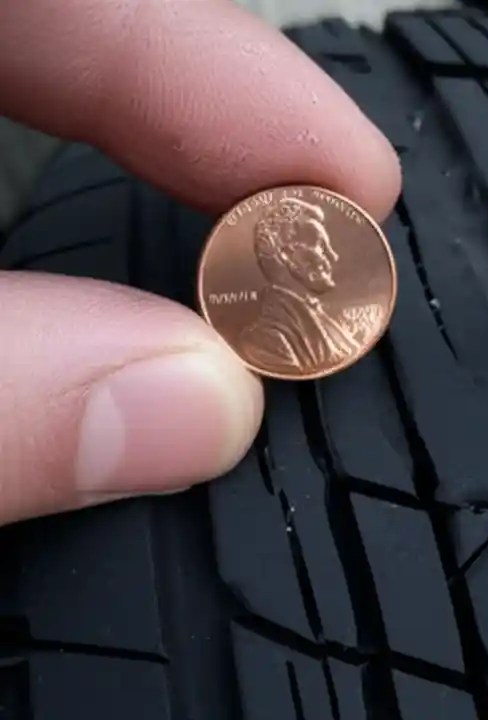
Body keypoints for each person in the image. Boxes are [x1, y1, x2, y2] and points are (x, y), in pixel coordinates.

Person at [0, 0, 401, 526]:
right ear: (278, 256)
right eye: (311, 244)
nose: (328, 254)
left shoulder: (320, 326)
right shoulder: (271, 334)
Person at [240, 197, 381, 374]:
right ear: (286, 255)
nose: (333, 256)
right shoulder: (266, 340)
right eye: (321, 247)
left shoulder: (324, 320)